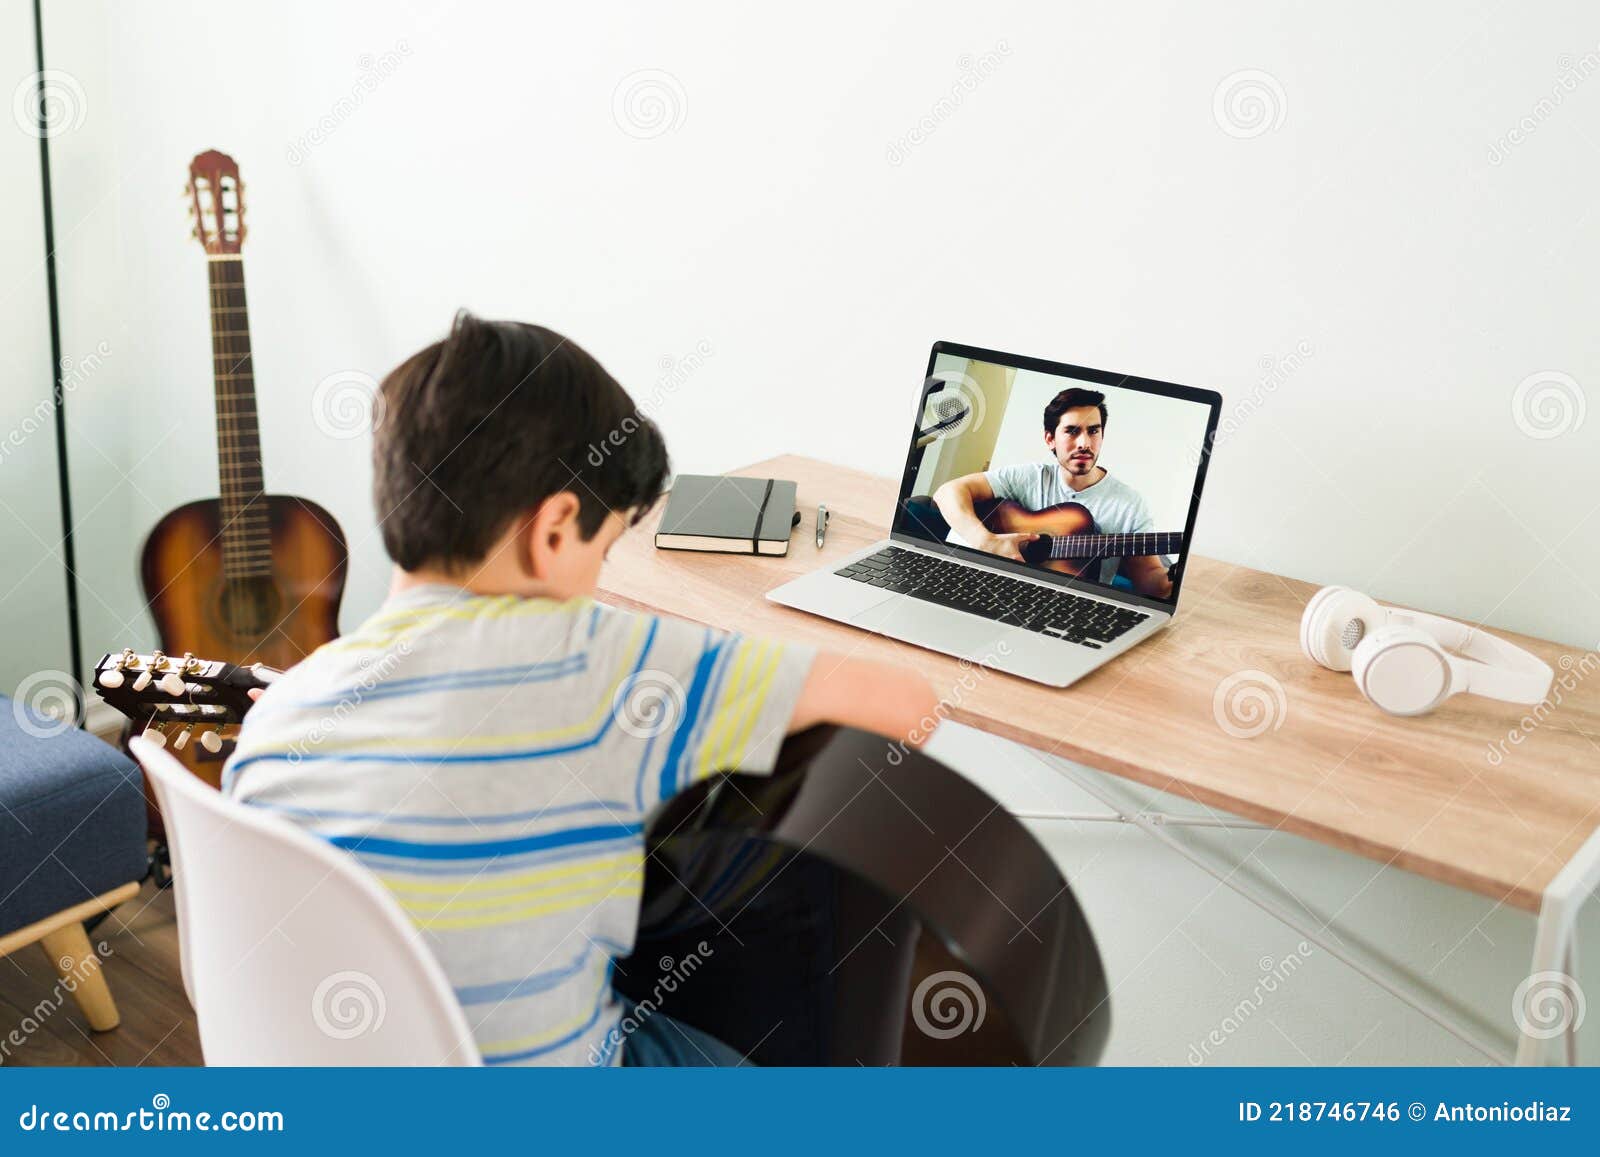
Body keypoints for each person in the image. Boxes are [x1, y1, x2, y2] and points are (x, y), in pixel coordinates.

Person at [223, 312, 939, 1066]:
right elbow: (908, 704)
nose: (601, 578)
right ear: (557, 529)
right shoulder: (600, 659)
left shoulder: (284, 713)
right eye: (607, 547)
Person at [931, 386, 1173, 598]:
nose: (1084, 444)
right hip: (998, 589)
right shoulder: (1029, 477)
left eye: (1093, 431)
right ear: (1050, 439)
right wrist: (987, 542)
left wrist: (1174, 577)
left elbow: (1149, 580)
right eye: (1072, 431)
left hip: (1071, 605)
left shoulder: (1129, 504)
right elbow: (948, 492)